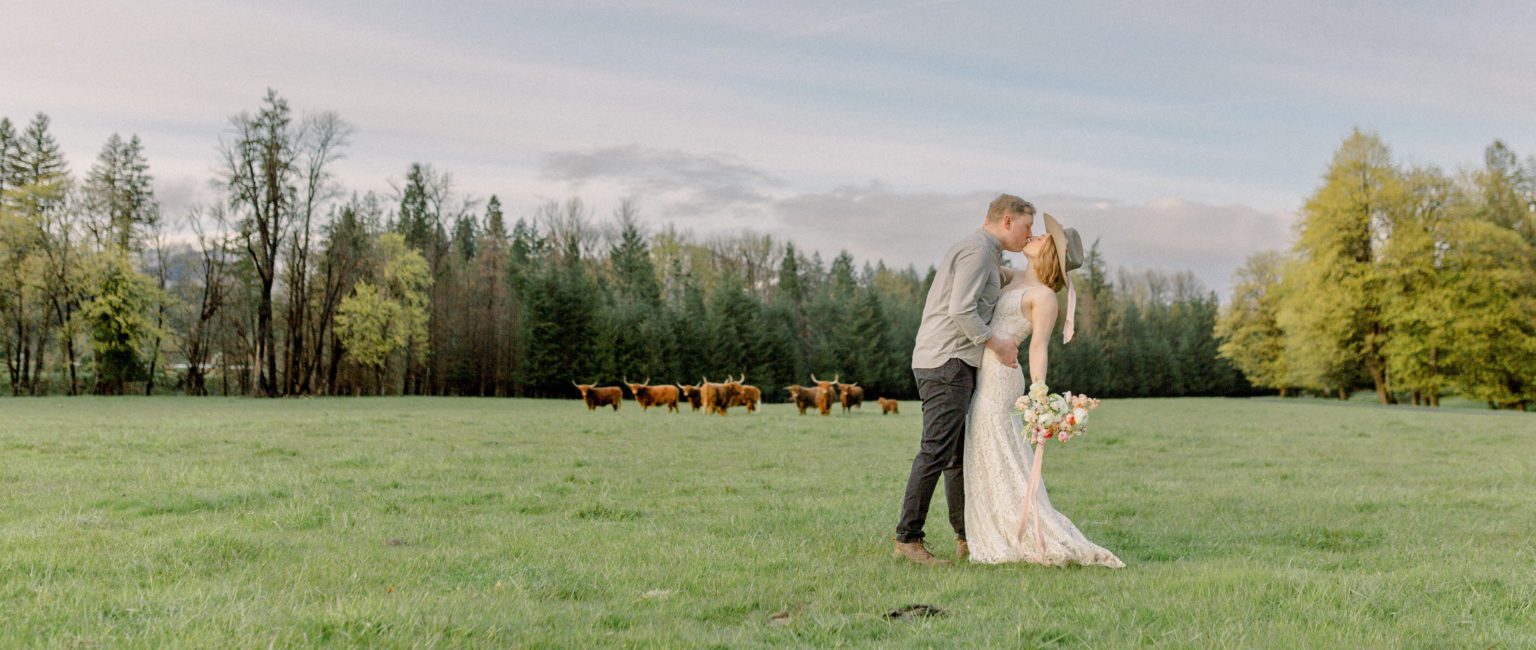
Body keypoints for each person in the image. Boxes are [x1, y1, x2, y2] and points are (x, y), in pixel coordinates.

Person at [963, 213, 1123, 567]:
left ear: (1049, 252)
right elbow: (983, 269)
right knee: (984, 447)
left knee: (1000, 446)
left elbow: (1038, 347)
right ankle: (985, 524)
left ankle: (1016, 527)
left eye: (1041, 237)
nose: (1032, 235)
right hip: (984, 371)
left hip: (1002, 377)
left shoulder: (1045, 297)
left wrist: (1038, 394)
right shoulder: (1016, 278)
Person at [894, 194, 1035, 566]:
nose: (1028, 234)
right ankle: (908, 540)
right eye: (1026, 227)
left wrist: (1051, 265)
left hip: (950, 362)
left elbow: (1015, 279)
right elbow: (961, 309)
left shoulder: (986, 255)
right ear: (1007, 220)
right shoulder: (976, 251)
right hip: (947, 362)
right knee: (937, 450)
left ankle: (966, 537)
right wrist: (997, 344)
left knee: (955, 457)